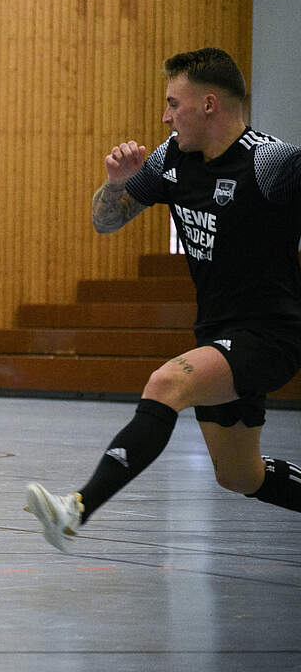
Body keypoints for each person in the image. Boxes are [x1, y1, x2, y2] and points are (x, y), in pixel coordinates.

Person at [26, 48, 301, 551]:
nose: (165, 116)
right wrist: (117, 183)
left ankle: (76, 510)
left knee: (167, 381)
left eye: (174, 103)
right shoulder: (171, 158)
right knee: (241, 476)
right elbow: (105, 221)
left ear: (210, 104)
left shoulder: (272, 163)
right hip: (216, 333)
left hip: (271, 335)